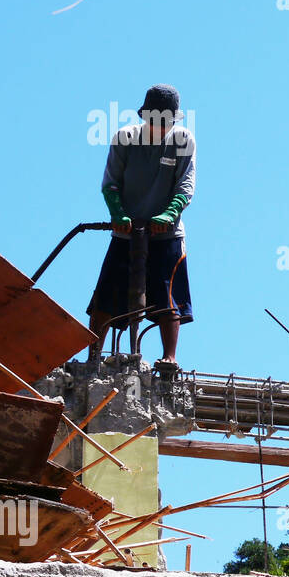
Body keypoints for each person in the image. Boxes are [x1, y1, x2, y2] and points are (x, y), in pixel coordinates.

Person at [87, 84, 195, 369]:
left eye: (166, 122)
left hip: (166, 234)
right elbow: (110, 183)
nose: (161, 126)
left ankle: (169, 357)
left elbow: (185, 186)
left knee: (168, 297)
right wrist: (118, 215)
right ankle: (94, 356)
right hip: (126, 232)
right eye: (156, 120)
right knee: (106, 295)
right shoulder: (125, 139)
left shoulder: (183, 140)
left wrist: (169, 215)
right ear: (145, 117)